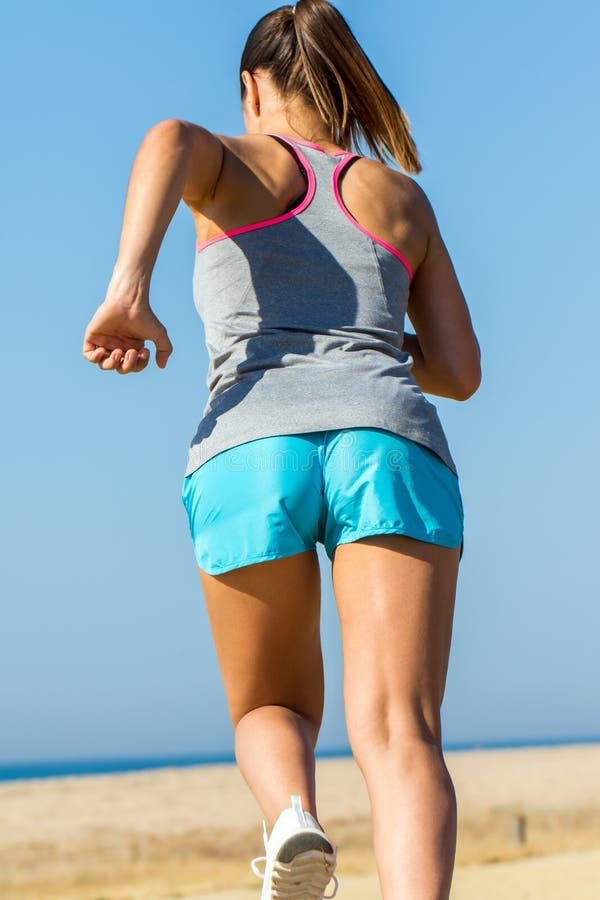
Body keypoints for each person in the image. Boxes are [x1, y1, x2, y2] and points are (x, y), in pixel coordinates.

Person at [82, 1, 481, 897]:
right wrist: (363, 343)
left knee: (271, 704)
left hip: (249, 444)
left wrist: (128, 289)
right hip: (388, 438)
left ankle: (294, 819)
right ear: (342, 89)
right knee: (403, 733)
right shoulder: (401, 198)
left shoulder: (234, 160)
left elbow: (169, 137)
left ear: (250, 89)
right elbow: (459, 368)